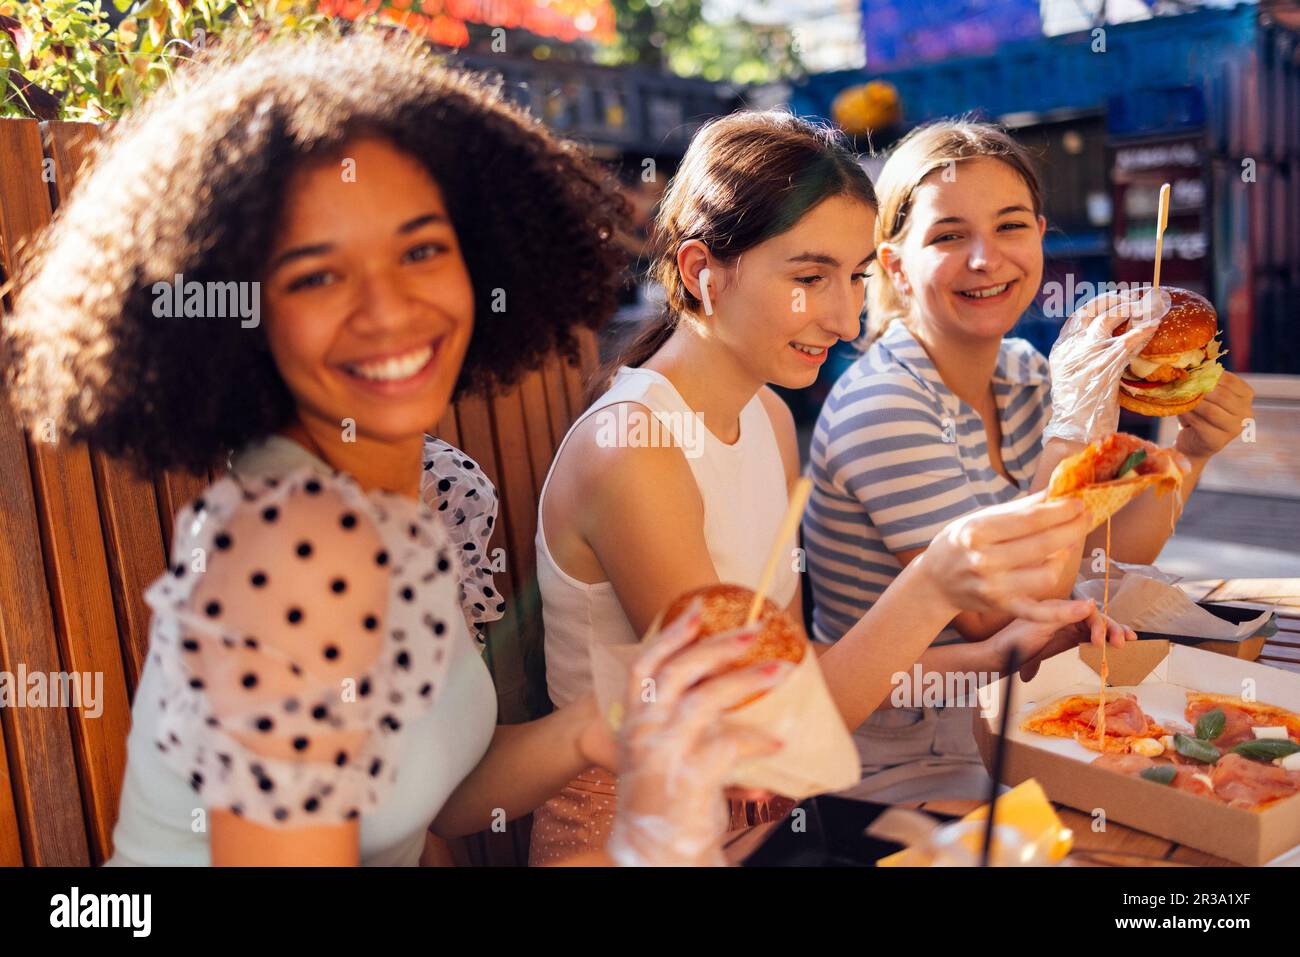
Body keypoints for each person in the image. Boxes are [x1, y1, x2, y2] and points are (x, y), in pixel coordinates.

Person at [3, 31, 784, 867]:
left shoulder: (394, 492)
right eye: (315, 275)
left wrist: (601, 724)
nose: (389, 309)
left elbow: (435, 797)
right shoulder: (291, 553)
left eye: (420, 250)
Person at [530, 110, 1124, 862]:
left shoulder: (769, 414)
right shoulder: (633, 448)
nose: (846, 319)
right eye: (810, 277)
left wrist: (1003, 650)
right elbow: (761, 726)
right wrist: (934, 588)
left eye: (854, 278)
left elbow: (789, 667)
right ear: (698, 271)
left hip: (770, 823)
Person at [803, 119, 1254, 803]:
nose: (986, 258)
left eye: (1010, 225)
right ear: (893, 264)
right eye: (949, 235)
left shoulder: (1023, 371)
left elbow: (1105, 553)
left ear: (1041, 235)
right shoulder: (882, 402)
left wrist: (1186, 451)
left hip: (1025, 721)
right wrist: (1075, 420)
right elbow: (998, 611)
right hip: (901, 767)